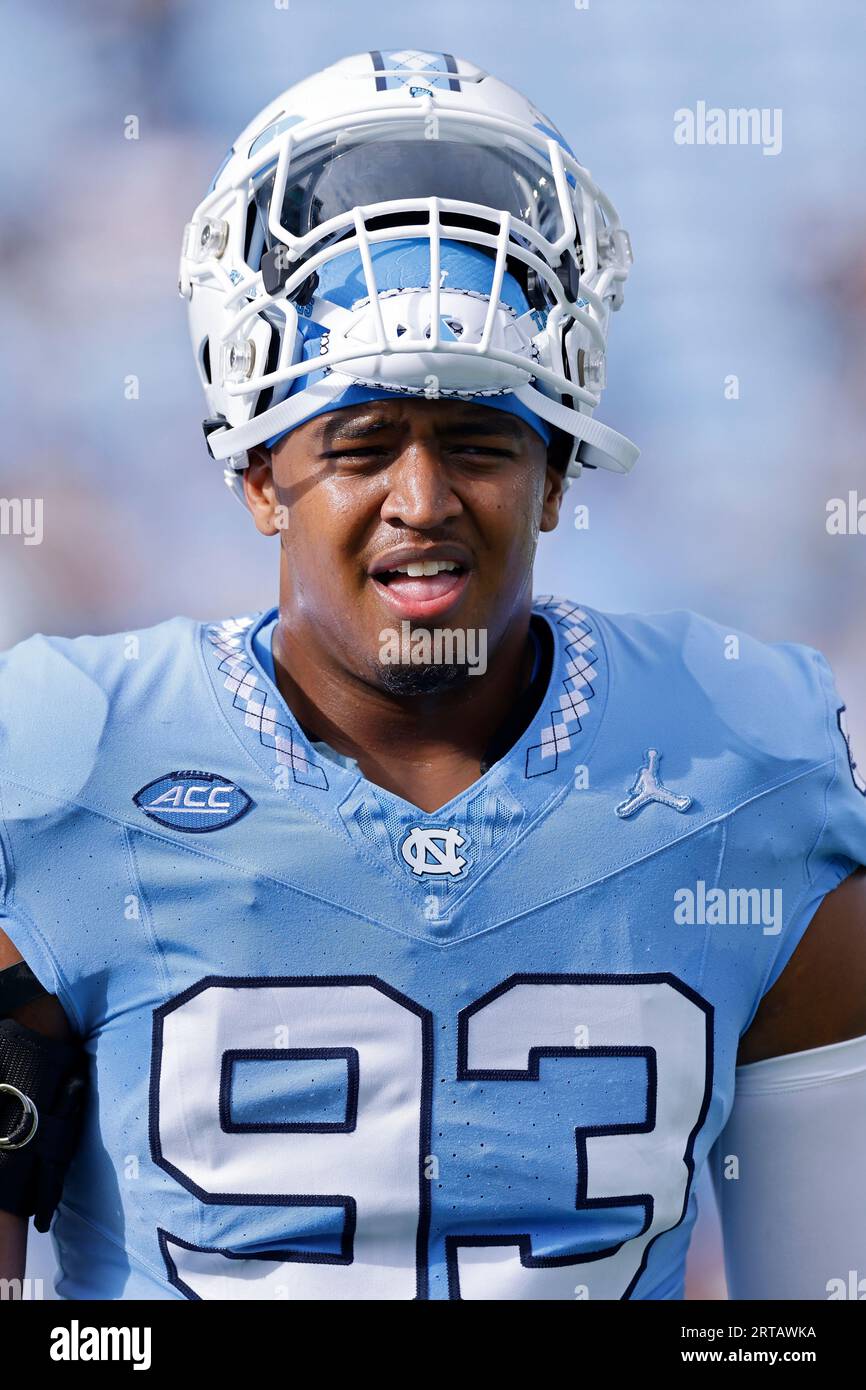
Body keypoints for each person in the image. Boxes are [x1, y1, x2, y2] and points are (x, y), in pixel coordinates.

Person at [1, 49, 864, 1301]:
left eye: (476, 441)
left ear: (556, 475)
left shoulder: (741, 766)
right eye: (359, 444)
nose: (422, 501)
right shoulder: (69, 763)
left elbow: (815, 1310)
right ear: (256, 476)